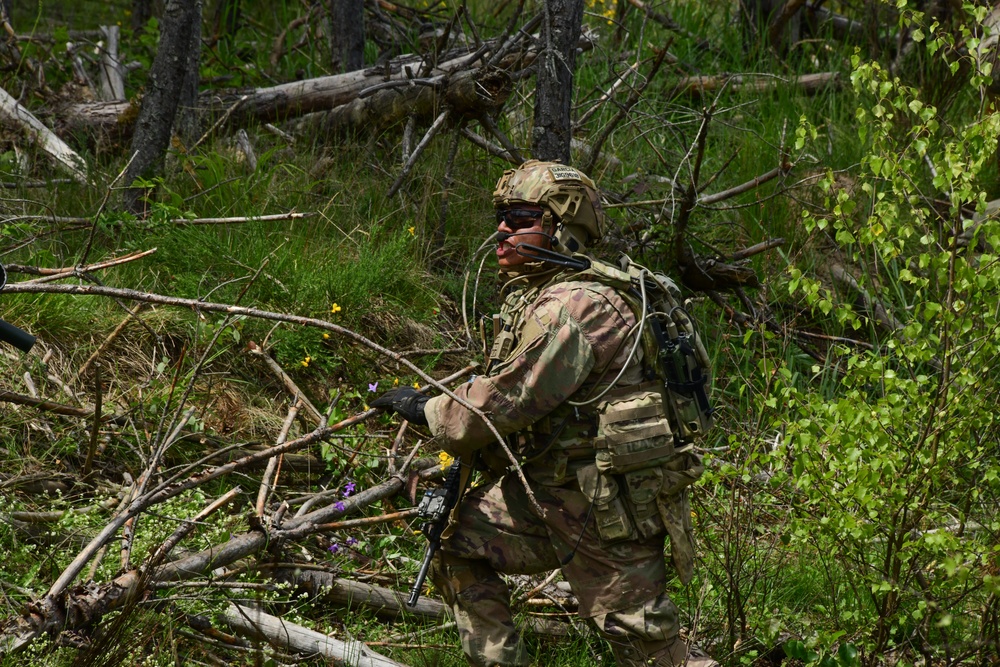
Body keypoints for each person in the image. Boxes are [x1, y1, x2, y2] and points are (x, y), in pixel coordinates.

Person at [371, 160, 715, 667]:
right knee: (454, 538)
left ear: (562, 228)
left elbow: (502, 404)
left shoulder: (576, 308)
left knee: (651, 652)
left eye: (521, 217)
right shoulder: (553, 297)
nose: (502, 229)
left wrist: (427, 410)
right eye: (501, 216)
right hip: (553, 497)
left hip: (607, 512)